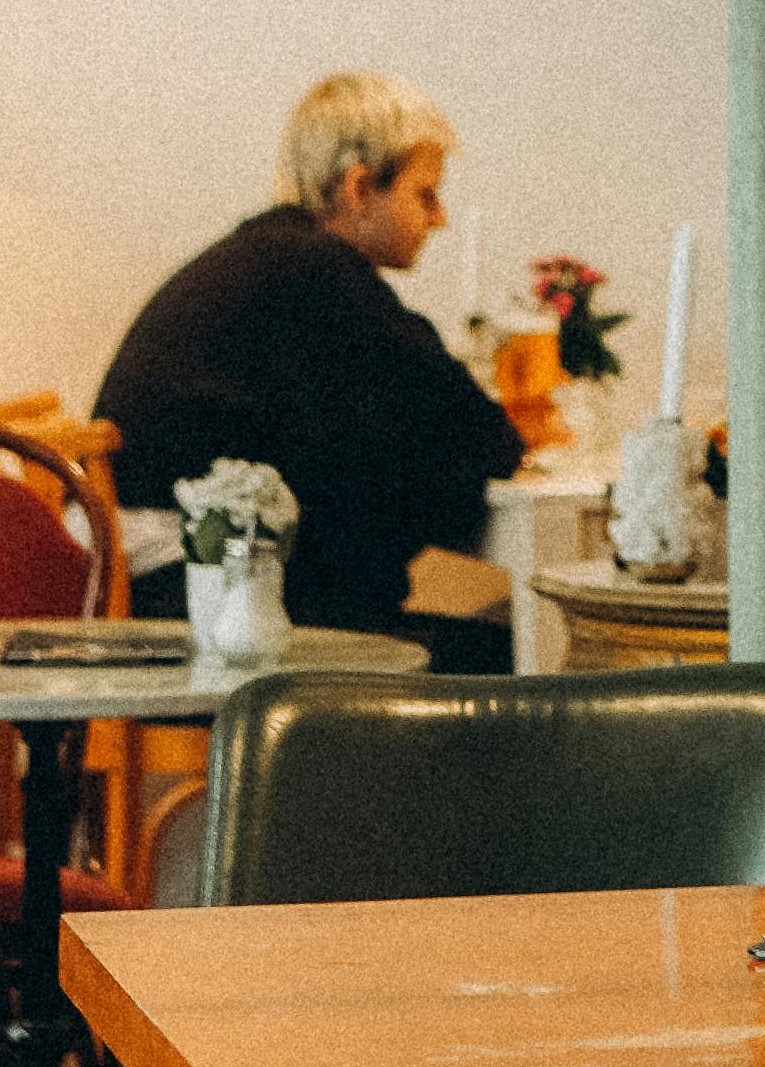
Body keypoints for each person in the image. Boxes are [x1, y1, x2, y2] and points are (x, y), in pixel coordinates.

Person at [98, 72, 521, 654]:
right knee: (517, 652)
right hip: (203, 605)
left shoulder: (273, 257)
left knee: (495, 634)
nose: (439, 217)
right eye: (424, 194)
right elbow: (483, 435)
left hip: (178, 585)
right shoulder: (315, 270)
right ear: (359, 187)